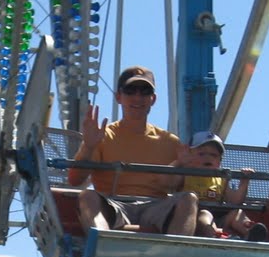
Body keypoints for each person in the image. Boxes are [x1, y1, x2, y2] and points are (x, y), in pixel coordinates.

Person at [68, 66, 198, 237]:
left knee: (189, 199)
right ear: (118, 97)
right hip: (114, 204)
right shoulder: (103, 136)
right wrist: (88, 146)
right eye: (130, 91)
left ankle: (175, 251)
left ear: (153, 99)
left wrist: (183, 165)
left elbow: (178, 186)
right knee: (88, 197)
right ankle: (104, 245)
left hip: (156, 207)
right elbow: (75, 180)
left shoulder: (170, 142)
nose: (137, 97)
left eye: (144, 91)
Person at [183, 131, 267, 241]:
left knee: (237, 212)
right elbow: (169, 184)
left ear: (219, 161)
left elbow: (235, 201)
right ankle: (217, 236)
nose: (208, 158)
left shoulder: (221, 179)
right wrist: (179, 162)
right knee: (205, 214)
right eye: (202, 154)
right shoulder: (184, 174)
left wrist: (244, 181)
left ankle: (250, 233)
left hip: (219, 217)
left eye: (213, 155)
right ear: (189, 156)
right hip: (193, 219)